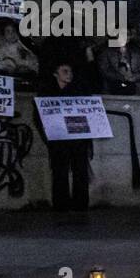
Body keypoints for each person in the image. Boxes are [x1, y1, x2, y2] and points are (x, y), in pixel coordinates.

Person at [38, 63, 91, 211]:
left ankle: (80, 204)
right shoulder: (47, 91)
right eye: (65, 71)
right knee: (59, 171)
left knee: (80, 170)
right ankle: (61, 204)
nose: (69, 74)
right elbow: (39, 115)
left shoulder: (78, 90)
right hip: (58, 139)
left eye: (70, 71)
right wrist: (47, 135)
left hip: (77, 138)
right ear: (55, 74)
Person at [0, 18, 39, 82]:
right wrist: (2, 66)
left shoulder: (25, 50)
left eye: (13, 31)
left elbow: (35, 66)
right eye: (8, 31)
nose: (11, 34)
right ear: (3, 34)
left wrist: (26, 67)